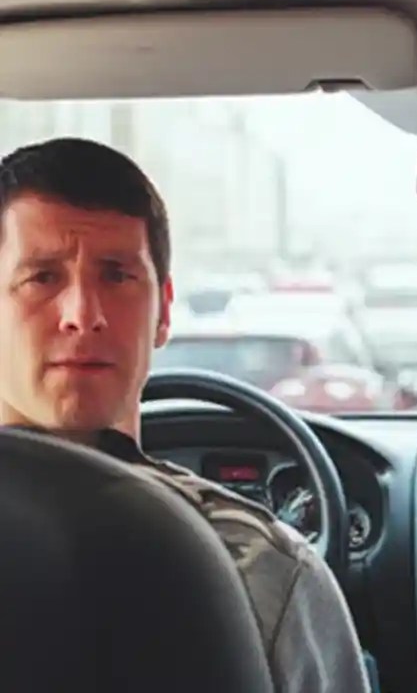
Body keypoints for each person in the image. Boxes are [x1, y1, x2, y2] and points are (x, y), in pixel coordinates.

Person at [0, 137, 372, 693]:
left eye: (116, 275)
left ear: (163, 310)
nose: (84, 314)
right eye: (42, 278)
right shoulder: (259, 569)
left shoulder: (268, 574)